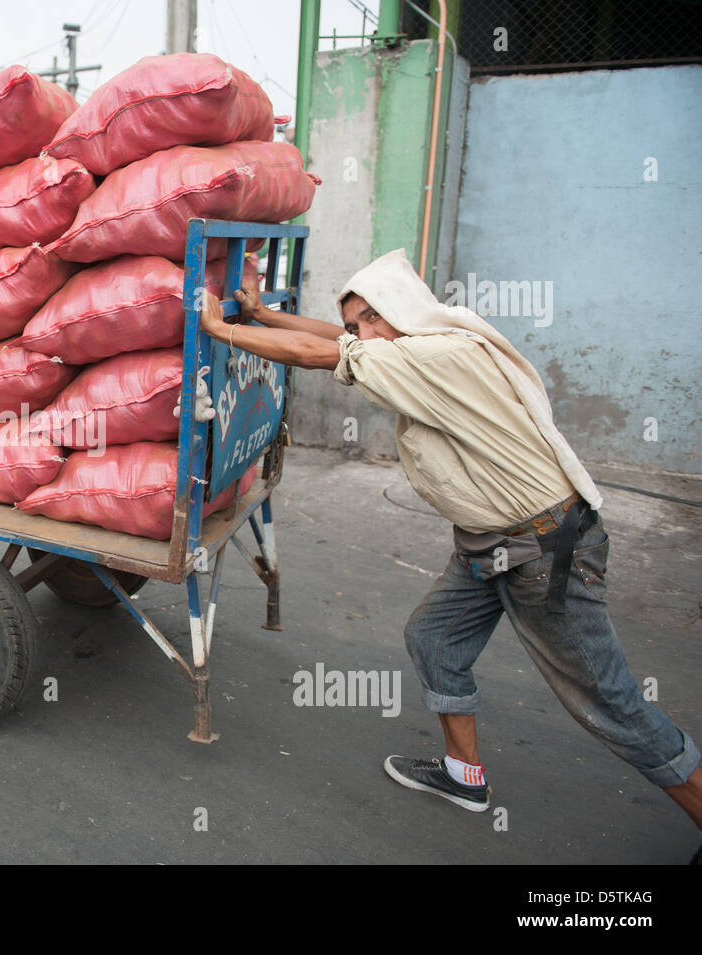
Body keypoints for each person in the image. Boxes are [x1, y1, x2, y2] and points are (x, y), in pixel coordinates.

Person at [199, 248, 701, 859]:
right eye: (357, 326)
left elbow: (322, 353)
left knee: (612, 704)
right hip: (490, 544)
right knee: (434, 638)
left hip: (542, 551)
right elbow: (335, 340)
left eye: (368, 321)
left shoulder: (438, 356)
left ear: (397, 313)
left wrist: (222, 330)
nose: (360, 334)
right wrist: (262, 316)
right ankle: (464, 779)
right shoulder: (422, 342)